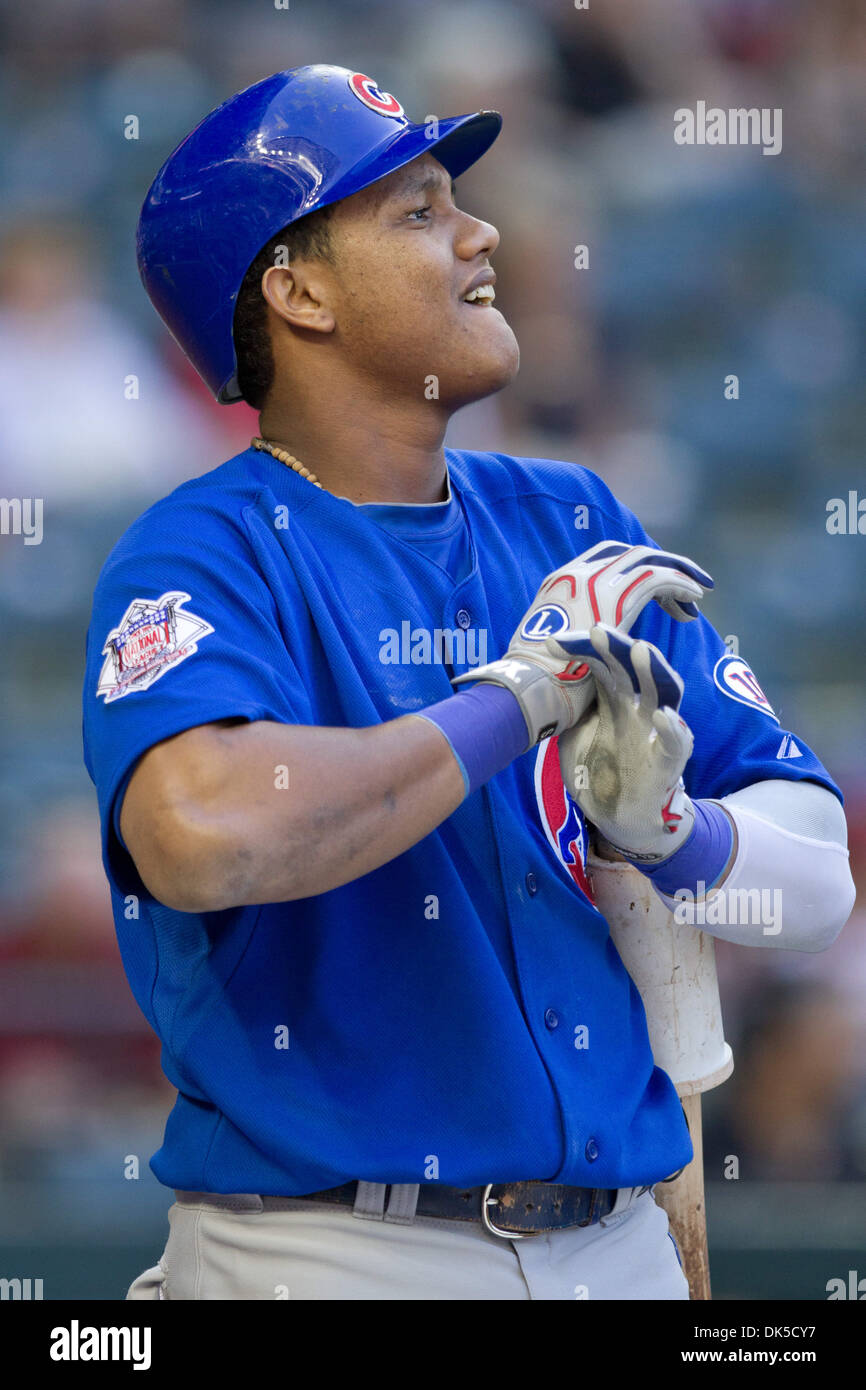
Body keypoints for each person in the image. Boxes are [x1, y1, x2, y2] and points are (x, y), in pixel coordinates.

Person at [83, 65, 854, 1300]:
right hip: (332, 1251)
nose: (480, 231)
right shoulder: (199, 552)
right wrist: (516, 703)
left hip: (619, 1242)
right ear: (298, 291)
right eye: (418, 210)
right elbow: (202, 833)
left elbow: (816, 884)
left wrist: (670, 834)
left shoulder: (569, 515)